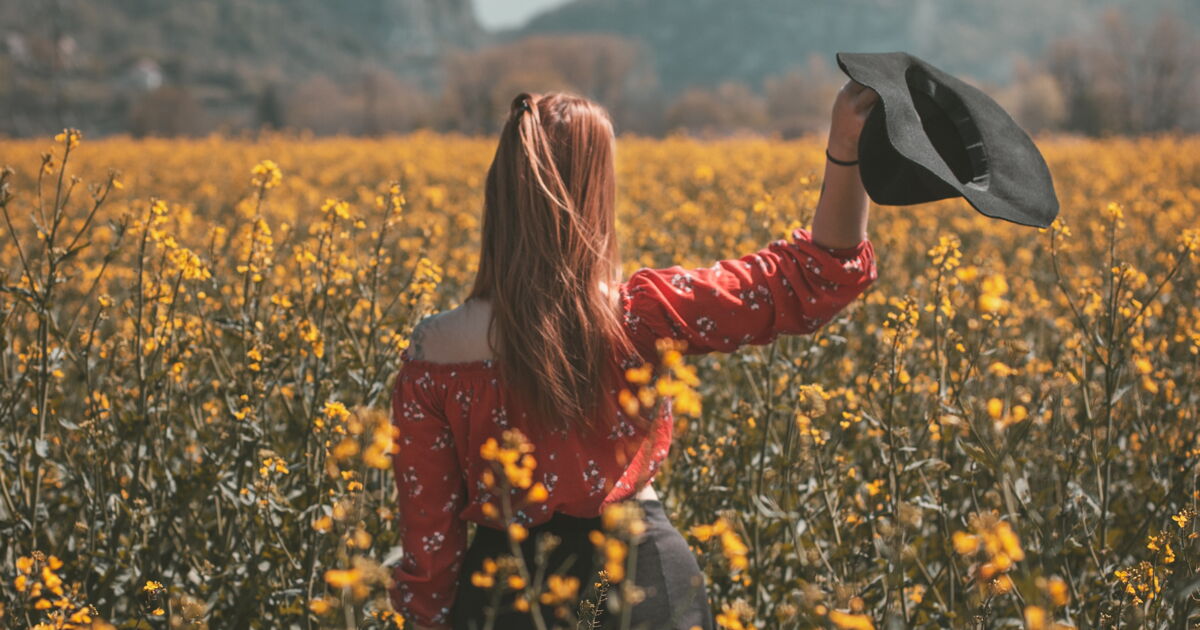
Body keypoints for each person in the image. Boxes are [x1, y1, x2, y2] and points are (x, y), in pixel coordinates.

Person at [388, 80, 881, 630]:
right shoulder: (644, 316)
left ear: (501, 191)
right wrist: (846, 148)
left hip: (507, 595)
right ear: (596, 192)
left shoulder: (434, 352)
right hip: (624, 577)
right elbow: (817, 273)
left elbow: (429, 540)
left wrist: (429, 616)